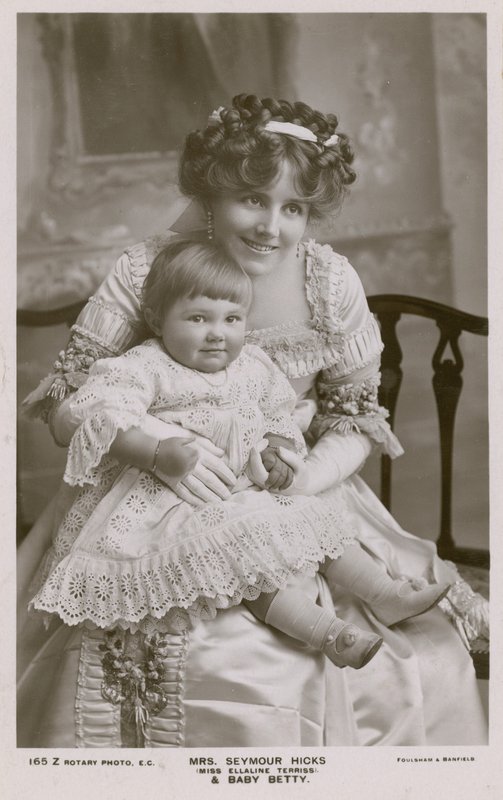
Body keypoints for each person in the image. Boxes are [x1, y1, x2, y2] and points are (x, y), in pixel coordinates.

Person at [18, 94, 488, 748]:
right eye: (251, 200)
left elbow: (353, 419)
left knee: (407, 657)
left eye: (292, 207)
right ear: (211, 194)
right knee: (219, 651)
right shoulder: (146, 269)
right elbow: (73, 408)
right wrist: (156, 448)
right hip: (149, 496)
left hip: (289, 484)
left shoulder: (329, 283)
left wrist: (302, 476)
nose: (271, 225)